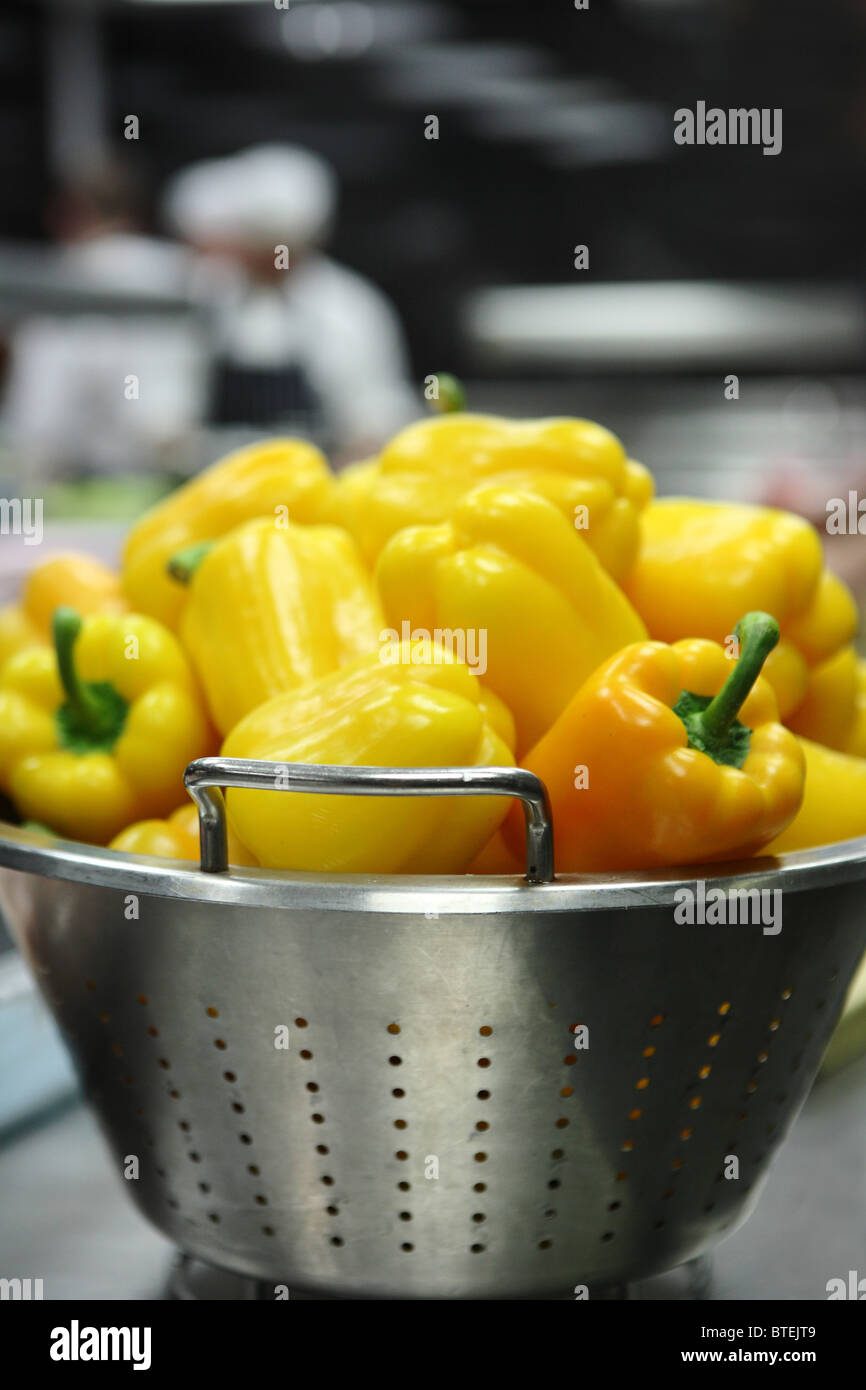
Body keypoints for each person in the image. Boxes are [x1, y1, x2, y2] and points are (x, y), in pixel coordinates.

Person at [163, 144, 418, 460]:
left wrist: (359, 446)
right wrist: (175, 441)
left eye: (282, 249)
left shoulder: (350, 307)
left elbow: (379, 414)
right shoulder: (205, 296)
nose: (273, 260)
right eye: (260, 248)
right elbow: (165, 403)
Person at [2, 162, 207, 477]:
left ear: (68, 211)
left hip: (78, 480)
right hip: (165, 470)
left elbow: (40, 416)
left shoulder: (66, 276)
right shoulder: (178, 268)